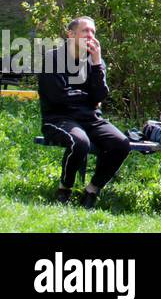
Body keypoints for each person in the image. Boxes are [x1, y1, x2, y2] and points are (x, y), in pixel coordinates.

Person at [37, 16, 131, 208]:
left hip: (90, 118)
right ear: (70, 35)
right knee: (80, 142)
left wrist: (97, 64)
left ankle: (92, 190)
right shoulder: (52, 58)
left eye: (93, 32)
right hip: (58, 118)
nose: (90, 36)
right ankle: (65, 188)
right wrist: (88, 98)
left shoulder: (95, 61)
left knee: (121, 144)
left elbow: (101, 95)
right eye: (85, 31)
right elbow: (57, 97)